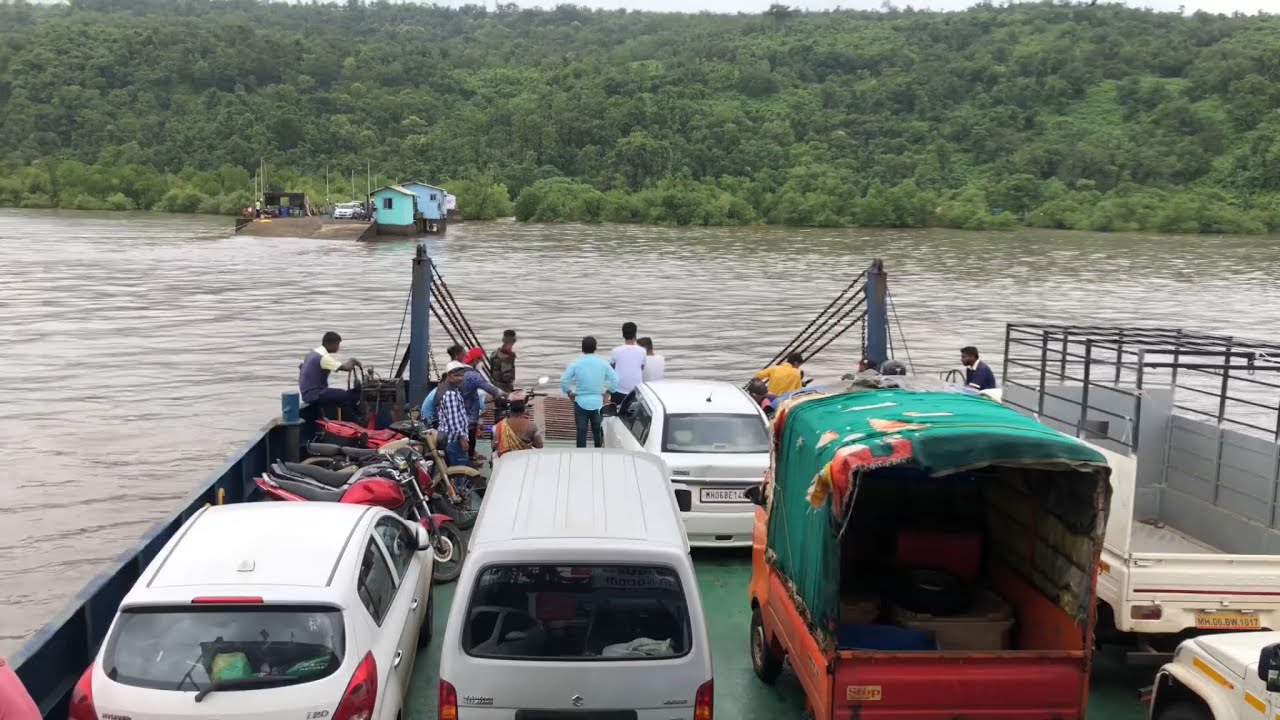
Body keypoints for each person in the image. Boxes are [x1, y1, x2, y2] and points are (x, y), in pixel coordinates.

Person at [562, 336, 619, 448]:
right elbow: (615, 380)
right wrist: (608, 392)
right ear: (595, 348)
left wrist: (569, 392)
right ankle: (598, 452)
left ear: (582, 348)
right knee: (597, 432)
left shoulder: (576, 363)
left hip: (580, 402)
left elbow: (564, 380)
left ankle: (580, 455)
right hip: (598, 403)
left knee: (581, 432)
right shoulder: (603, 363)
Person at [298, 331, 363, 420]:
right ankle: (353, 421)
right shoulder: (323, 357)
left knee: (343, 394)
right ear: (330, 344)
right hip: (315, 394)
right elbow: (346, 367)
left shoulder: (312, 354)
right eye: (337, 344)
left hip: (306, 393)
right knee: (345, 396)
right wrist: (352, 360)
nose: (338, 347)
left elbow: (301, 367)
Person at [461, 346, 508, 461]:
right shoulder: (473, 375)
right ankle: (470, 460)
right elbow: (491, 389)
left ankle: (470, 457)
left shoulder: (461, 370)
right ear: (475, 360)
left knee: (467, 435)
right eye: (480, 360)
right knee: (470, 435)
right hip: (468, 412)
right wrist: (507, 395)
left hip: (463, 409)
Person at [436, 361, 472, 467]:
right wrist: (462, 439)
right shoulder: (450, 394)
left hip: (449, 438)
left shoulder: (449, 389)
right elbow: (454, 421)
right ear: (449, 376)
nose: (460, 378)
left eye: (462, 375)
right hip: (454, 439)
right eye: (457, 375)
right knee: (459, 466)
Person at [493, 393, 544, 457]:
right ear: (524, 410)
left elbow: (494, 445)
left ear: (510, 410)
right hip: (523, 460)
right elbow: (540, 446)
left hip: (504, 461)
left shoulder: (500, 425)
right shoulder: (531, 425)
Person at [610, 321, 646, 410]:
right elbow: (642, 367)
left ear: (623, 334)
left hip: (618, 390)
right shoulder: (642, 351)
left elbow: (611, 367)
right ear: (635, 334)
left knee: (616, 413)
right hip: (636, 390)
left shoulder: (615, 351)